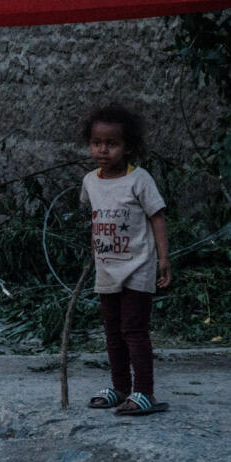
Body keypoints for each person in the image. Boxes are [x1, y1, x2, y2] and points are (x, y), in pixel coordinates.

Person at [80, 104, 171, 416]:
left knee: (134, 329)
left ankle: (144, 391)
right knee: (112, 330)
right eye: (96, 143)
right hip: (107, 269)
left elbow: (158, 218)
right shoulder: (91, 181)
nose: (102, 150)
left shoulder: (139, 180)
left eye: (111, 143)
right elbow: (94, 217)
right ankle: (119, 387)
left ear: (128, 147)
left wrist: (163, 259)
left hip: (138, 267)